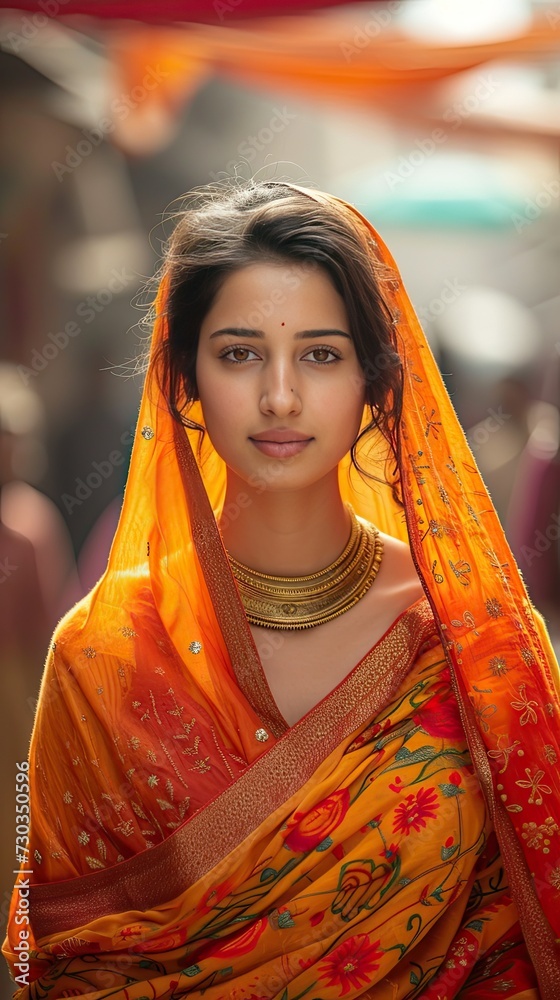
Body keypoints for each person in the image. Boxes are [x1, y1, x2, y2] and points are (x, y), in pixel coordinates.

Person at [3, 180, 560, 1000]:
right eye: (238, 353)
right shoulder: (103, 654)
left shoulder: (470, 640)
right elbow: (57, 957)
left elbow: (527, 923)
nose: (281, 396)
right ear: (183, 381)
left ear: (376, 381)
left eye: (322, 355)